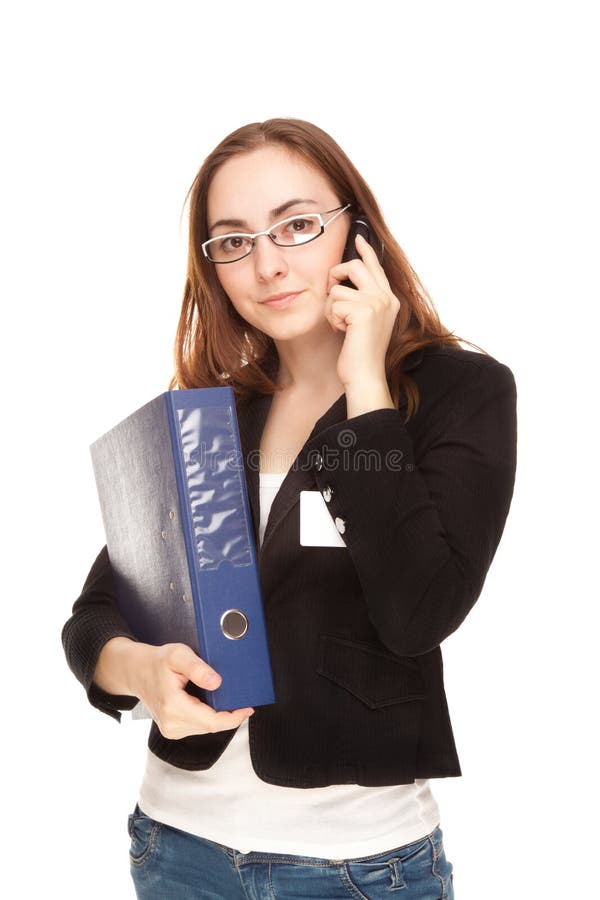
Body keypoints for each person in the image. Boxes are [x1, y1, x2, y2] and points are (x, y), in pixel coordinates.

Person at [62, 117, 517, 899]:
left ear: (358, 231)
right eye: (233, 240)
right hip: (177, 847)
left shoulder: (460, 394)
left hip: (359, 867)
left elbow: (419, 611)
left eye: (298, 225)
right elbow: (95, 615)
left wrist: (366, 384)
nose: (267, 264)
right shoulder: (212, 414)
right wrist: (142, 673)